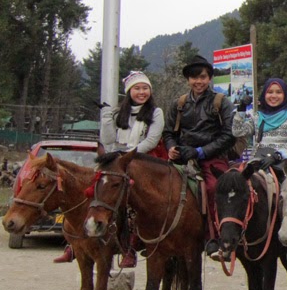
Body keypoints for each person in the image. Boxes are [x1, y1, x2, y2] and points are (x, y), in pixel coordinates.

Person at [56, 71, 166, 267]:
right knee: (93, 193)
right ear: (129, 91)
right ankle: (75, 243)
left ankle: (129, 247)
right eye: (137, 88)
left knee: (132, 201)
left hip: (141, 160)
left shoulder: (156, 113)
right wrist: (107, 118)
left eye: (145, 88)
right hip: (116, 159)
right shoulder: (118, 113)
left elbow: (151, 141)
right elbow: (108, 141)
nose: (142, 92)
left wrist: (127, 156)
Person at [163, 55, 236, 260]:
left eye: (203, 77)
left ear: (209, 78)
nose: (198, 81)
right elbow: (168, 132)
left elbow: (229, 135)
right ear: (188, 80)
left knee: (214, 188)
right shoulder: (178, 104)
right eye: (194, 78)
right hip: (183, 157)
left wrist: (201, 151)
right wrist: (171, 148)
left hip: (212, 158)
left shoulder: (221, 103)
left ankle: (217, 238)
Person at [234, 77, 287, 263]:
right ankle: (233, 237)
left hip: (285, 162)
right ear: (264, 95)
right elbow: (237, 132)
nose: (274, 96)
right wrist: (241, 109)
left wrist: (276, 156)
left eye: (278, 92)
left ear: (285, 94)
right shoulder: (258, 116)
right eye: (270, 92)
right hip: (258, 161)